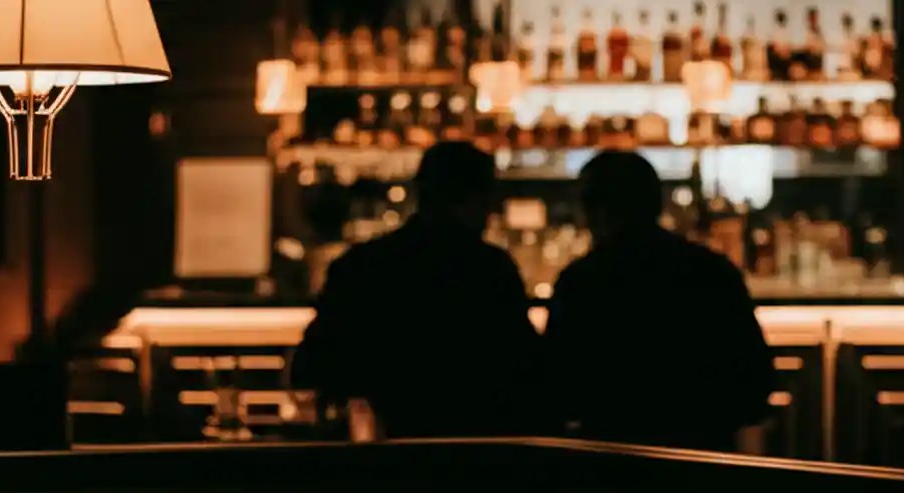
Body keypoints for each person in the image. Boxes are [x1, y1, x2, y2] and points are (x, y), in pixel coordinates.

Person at [292, 142, 542, 438]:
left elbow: (310, 368)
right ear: (478, 199)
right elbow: (528, 374)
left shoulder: (363, 266)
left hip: (386, 459)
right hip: (478, 458)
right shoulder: (489, 269)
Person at [544, 151, 774, 451]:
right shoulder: (711, 271)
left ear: (593, 211)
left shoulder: (582, 280)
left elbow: (556, 389)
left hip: (609, 464)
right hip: (703, 461)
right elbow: (755, 384)